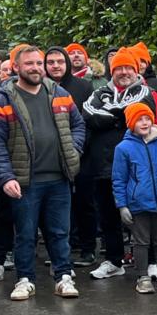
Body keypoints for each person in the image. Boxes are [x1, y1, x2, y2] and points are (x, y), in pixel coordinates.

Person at [0, 45, 86, 301]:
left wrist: (73, 151)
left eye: (38, 63)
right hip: (24, 181)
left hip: (59, 179)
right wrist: (6, 177)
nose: (35, 68)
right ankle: (25, 279)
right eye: (29, 64)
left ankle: (63, 277)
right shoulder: (3, 99)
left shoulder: (59, 93)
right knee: (26, 235)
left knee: (59, 232)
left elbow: (78, 124)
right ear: (16, 67)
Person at [82, 47, 157, 280]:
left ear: (136, 71)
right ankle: (114, 260)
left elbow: (135, 113)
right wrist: (120, 118)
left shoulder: (145, 91)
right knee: (108, 216)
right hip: (104, 166)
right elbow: (88, 114)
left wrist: (111, 116)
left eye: (128, 68)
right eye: (119, 68)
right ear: (111, 71)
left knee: (143, 215)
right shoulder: (100, 92)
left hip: (137, 165)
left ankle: (151, 261)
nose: (124, 72)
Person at [112, 103, 157, 294]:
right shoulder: (123, 148)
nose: (144, 122)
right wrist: (122, 205)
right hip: (138, 204)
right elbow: (118, 179)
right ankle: (142, 277)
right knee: (141, 242)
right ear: (131, 122)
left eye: (147, 118)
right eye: (139, 119)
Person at [45, 46, 97, 267]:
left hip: (81, 156)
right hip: (49, 158)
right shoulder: (40, 88)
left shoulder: (83, 87)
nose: (56, 66)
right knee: (55, 208)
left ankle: (88, 249)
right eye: (51, 62)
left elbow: (87, 122)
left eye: (60, 61)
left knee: (84, 204)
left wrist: (76, 151)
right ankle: (60, 250)